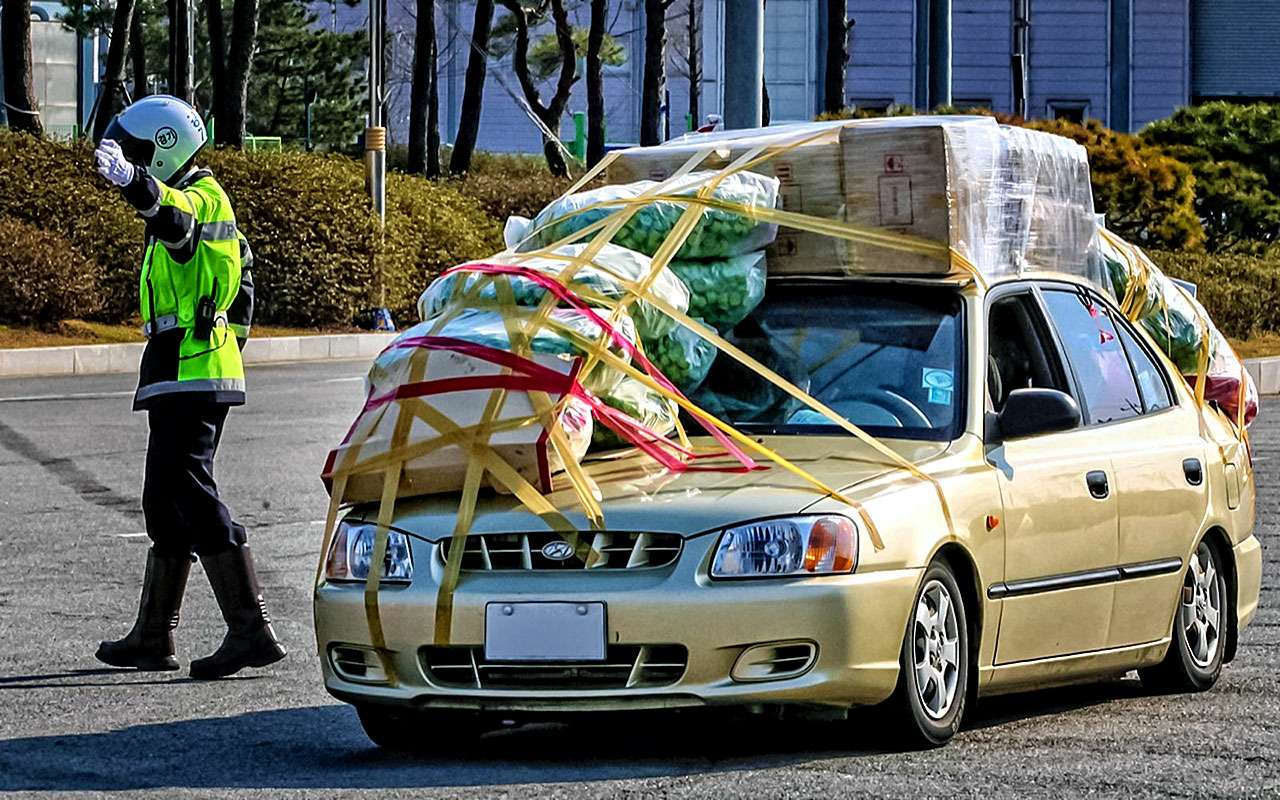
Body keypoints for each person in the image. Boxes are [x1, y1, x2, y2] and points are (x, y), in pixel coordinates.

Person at [92, 95, 285, 679]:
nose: (133, 159)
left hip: (192, 369)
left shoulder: (201, 197)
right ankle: (154, 638)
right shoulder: (204, 200)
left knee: (191, 490)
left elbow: (176, 224)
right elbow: (244, 287)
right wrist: (229, 341)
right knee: (164, 500)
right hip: (183, 367)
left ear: (166, 147)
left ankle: (251, 629)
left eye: (140, 151)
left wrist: (134, 184)